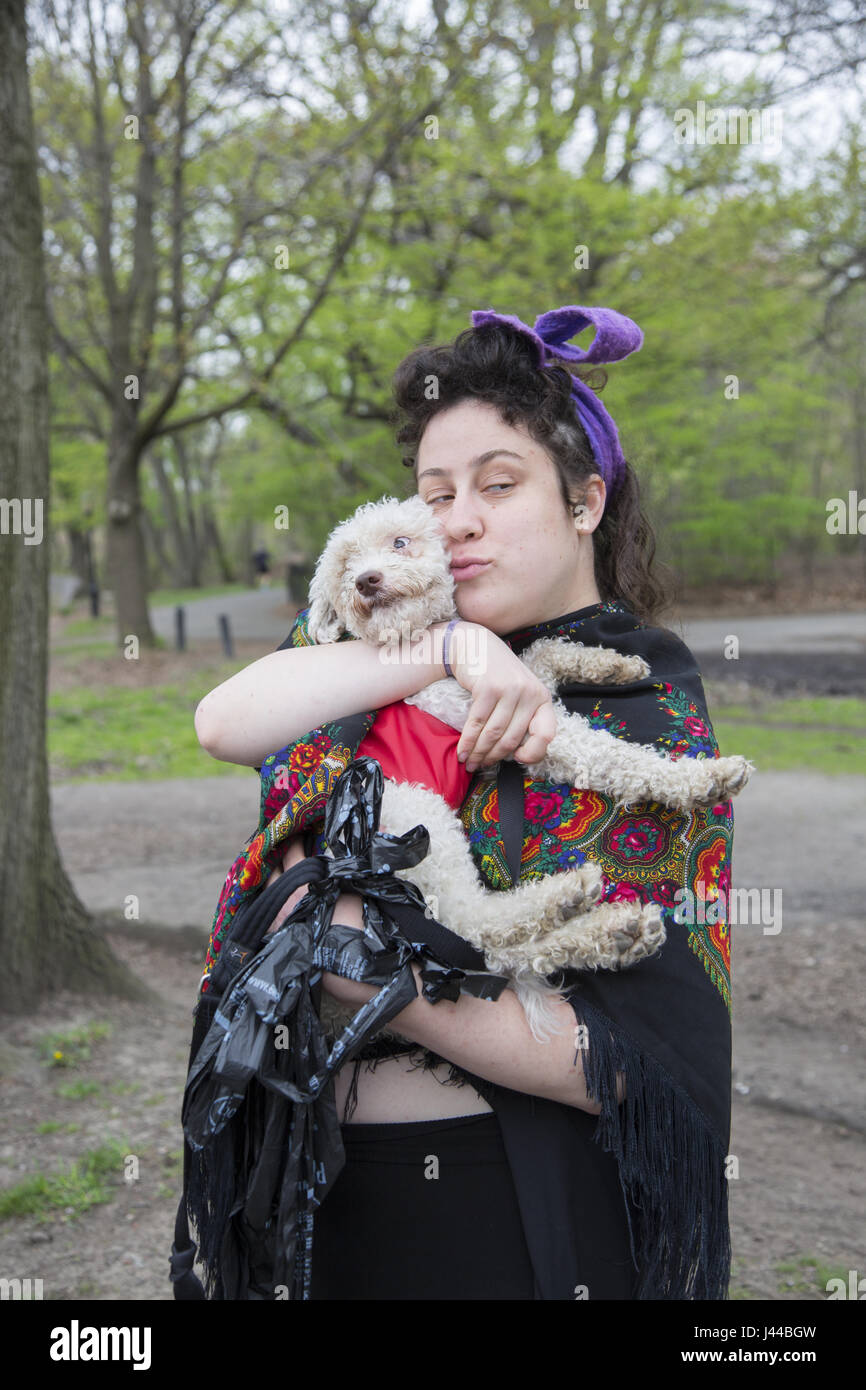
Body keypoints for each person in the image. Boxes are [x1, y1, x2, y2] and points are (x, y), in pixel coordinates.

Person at [194, 305, 734, 1300]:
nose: (457, 518)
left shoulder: (634, 689)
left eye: (497, 482)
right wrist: (441, 648)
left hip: (514, 1217)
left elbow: (636, 1062)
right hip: (315, 1197)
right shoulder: (375, 654)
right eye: (433, 493)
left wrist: (370, 970)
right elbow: (224, 720)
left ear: (583, 501)